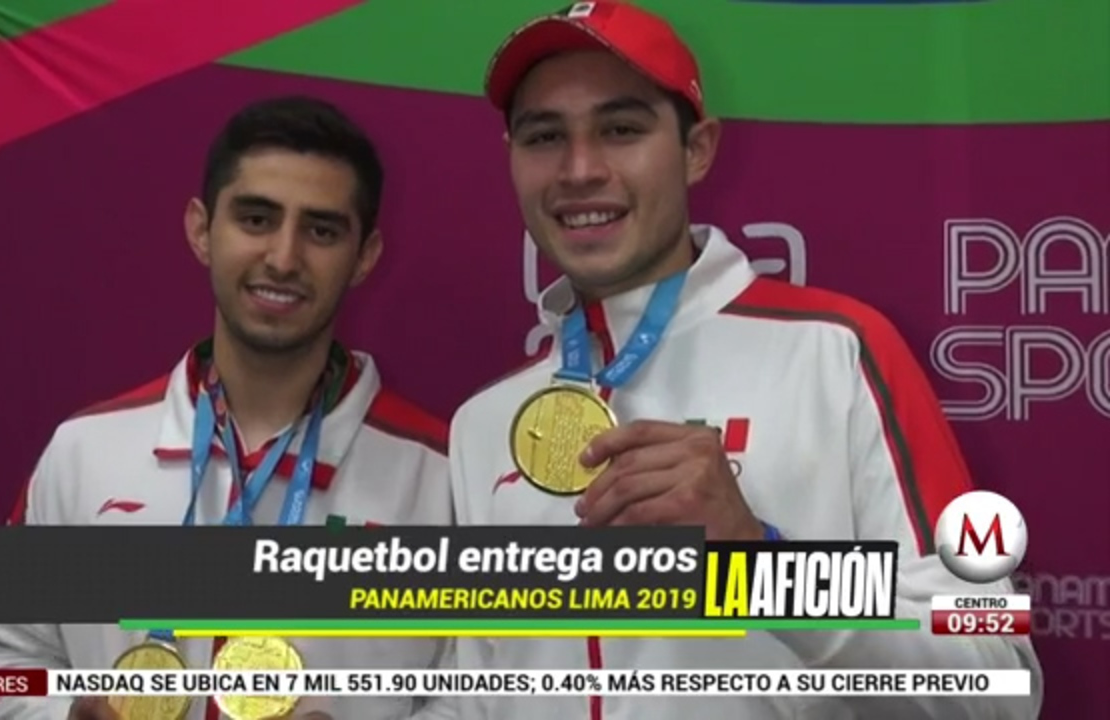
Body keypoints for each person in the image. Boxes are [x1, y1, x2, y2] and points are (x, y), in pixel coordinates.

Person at [442, 3, 1044, 719]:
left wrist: (755, 561)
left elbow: (998, 678)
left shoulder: (837, 352)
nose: (579, 170)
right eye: (545, 137)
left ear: (697, 150)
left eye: (621, 129)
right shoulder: (485, 424)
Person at [0, 97, 453, 720]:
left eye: (322, 231)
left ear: (365, 255)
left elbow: (479, 692)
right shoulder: (85, 448)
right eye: (256, 219)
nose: (283, 258)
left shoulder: (442, 473)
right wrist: (65, 715)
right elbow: (10, 653)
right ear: (201, 229)